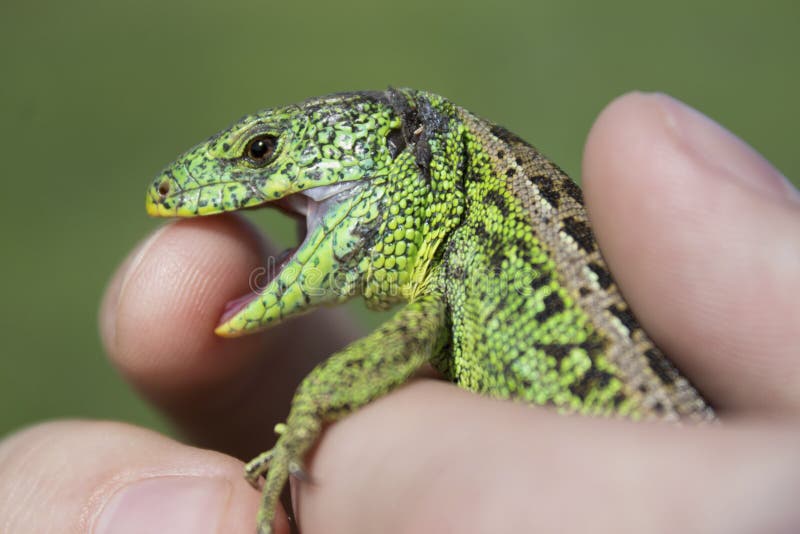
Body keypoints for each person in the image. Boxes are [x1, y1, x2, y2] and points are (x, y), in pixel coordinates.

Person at [2, 93, 798, 533]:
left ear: (396, 144)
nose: (187, 190)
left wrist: (310, 406)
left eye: (264, 153)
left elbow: (418, 332)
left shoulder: (470, 228)